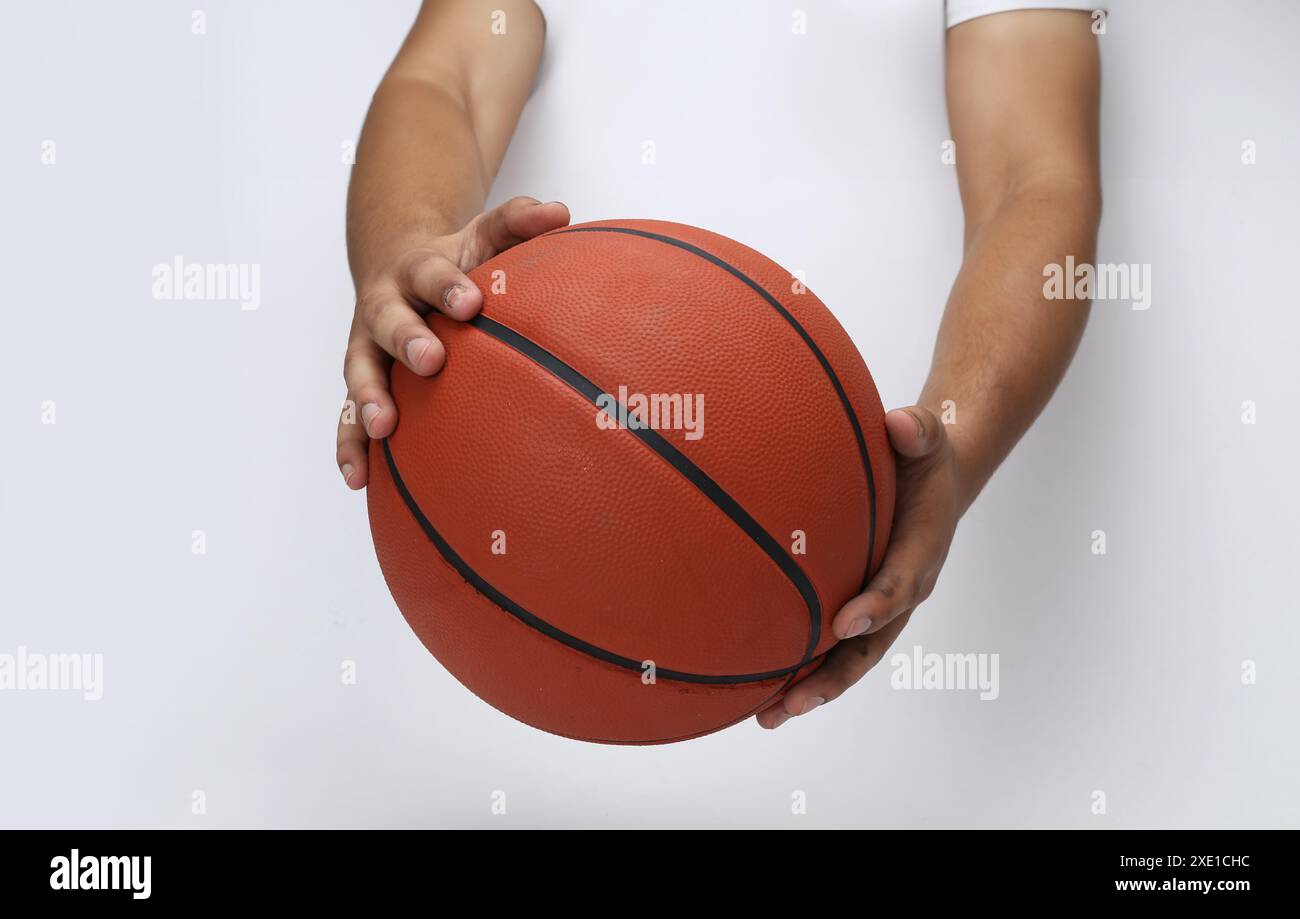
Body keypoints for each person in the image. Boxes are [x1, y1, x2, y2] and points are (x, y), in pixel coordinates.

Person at [336, 0, 1101, 729]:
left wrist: (956, 450)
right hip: (518, 700)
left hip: (894, 649)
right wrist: (409, 259)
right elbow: (445, 81)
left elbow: (1034, 183)